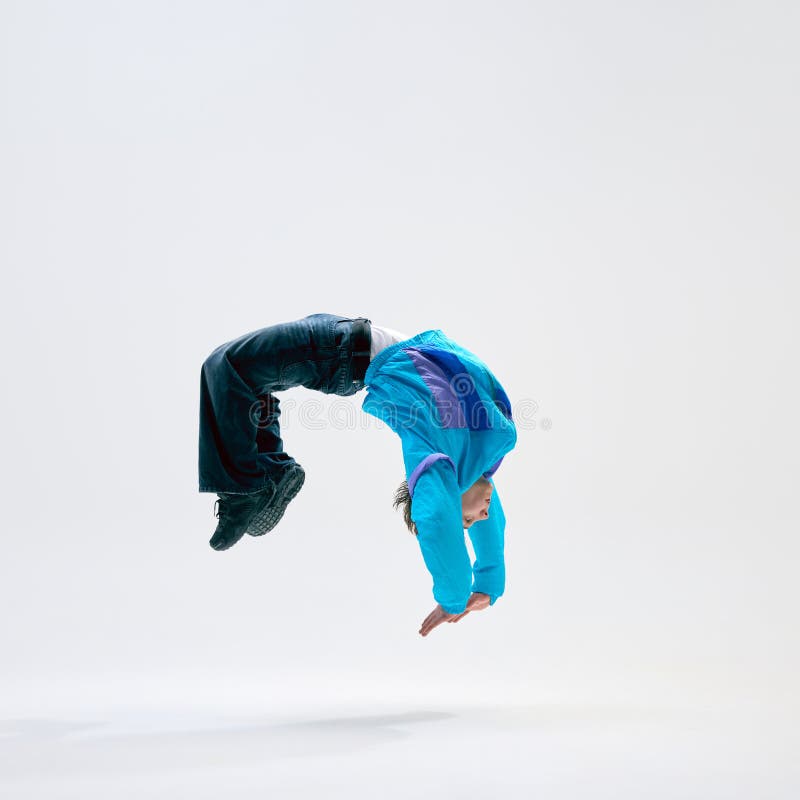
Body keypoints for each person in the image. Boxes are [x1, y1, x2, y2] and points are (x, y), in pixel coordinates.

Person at [198, 313, 517, 636]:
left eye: (466, 521)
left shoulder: (432, 451)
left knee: (224, 366)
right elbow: (483, 509)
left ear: (448, 494)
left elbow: (436, 518)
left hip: (339, 352)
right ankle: (270, 471)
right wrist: (489, 583)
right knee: (247, 380)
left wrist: (453, 599)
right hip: (344, 343)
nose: (485, 514)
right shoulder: (478, 445)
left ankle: (246, 488)